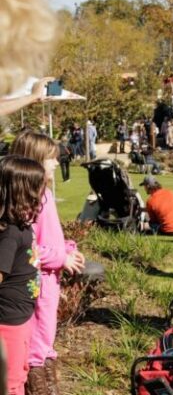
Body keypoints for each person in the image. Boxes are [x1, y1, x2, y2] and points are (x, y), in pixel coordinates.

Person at [10, 132, 85, 395]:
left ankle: (50, 385)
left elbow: (50, 236)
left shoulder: (45, 195)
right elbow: (27, 247)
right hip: (36, 281)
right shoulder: (30, 200)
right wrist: (60, 257)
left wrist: (68, 249)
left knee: (46, 339)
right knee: (37, 344)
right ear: (35, 161)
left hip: (50, 280)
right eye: (51, 158)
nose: (56, 163)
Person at [0, 157, 46, 394]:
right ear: (23, 192)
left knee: (20, 371)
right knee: (11, 380)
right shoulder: (10, 234)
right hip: (8, 323)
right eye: (38, 187)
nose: (42, 194)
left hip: (21, 318)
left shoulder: (21, 227)